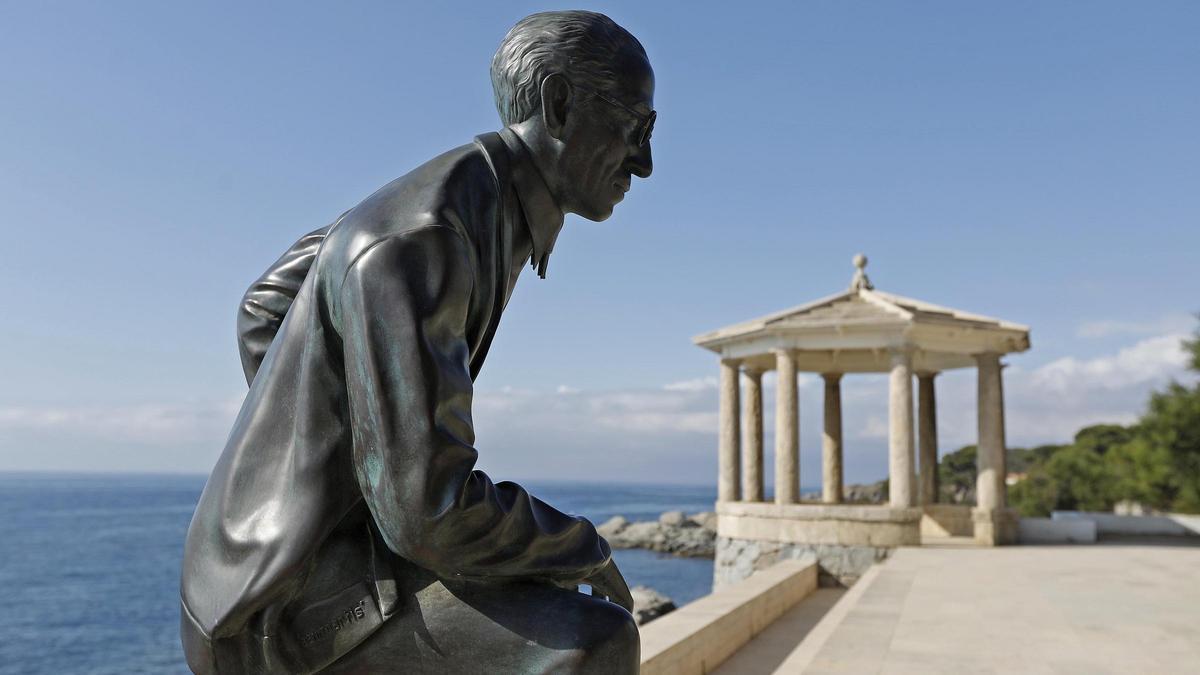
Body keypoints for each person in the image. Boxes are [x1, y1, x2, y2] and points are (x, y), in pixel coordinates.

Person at [180, 10, 655, 674]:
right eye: (638, 127)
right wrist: (583, 545)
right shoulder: (424, 234)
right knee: (595, 641)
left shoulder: (466, 197)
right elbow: (427, 510)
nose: (645, 161)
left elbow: (264, 308)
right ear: (559, 103)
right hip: (268, 615)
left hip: (262, 575)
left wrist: (336, 471)